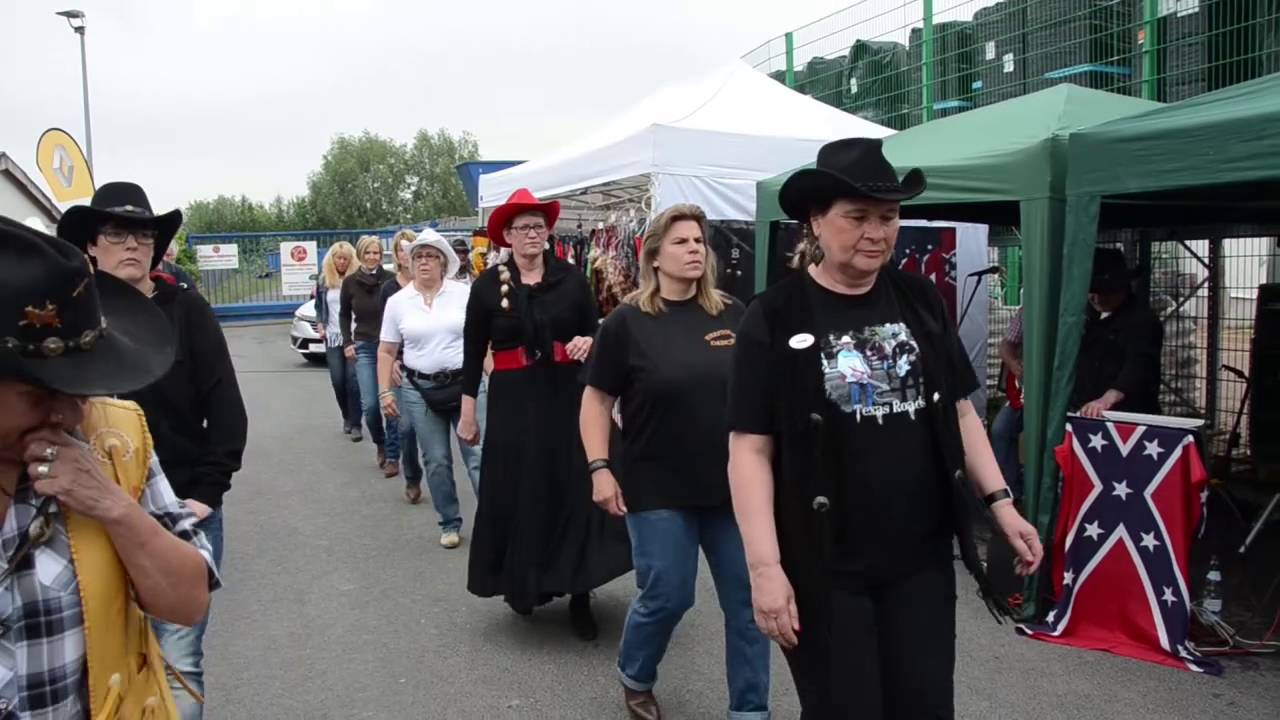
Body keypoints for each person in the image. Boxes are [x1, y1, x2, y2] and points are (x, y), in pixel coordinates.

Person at [726, 138, 1044, 719]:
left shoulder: (921, 300)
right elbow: (749, 449)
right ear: (815, 223)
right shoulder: (773, 317)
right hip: (824, 565)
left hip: (919, 560)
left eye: (889, 217)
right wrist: (765, 569)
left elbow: (960, 411)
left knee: (924, 706)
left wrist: (1001, 505)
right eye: (858, 217)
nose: (877, 231)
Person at [0, 214, 220, 718]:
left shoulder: (113, 439)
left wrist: (113, 506)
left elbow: (188, 602)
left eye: (83, 385)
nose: (72, 412)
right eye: (40, 393)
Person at [58, 182, 247, 720]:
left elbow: (227, 406)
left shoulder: (185, 309)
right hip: (81, 514)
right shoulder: (68, 314)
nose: (132, 245)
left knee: (178, 657)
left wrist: (208, 492)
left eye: (142, 234)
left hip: (177, 510)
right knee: (91, 661)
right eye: (116, 234)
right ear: (92, 245)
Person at [580, 204, 770, 720]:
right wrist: (600, 468)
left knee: (751, 604)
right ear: (654, 256)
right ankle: (636, 672)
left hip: (732, 487)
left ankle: (750, 711)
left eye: (699, 242)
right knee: (668, 594)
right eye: (682, 241)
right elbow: (596, 401)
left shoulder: (733, 313)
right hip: (657, 484)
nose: (695, 250)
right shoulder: (627, 323)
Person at [461, 188, 631, 640]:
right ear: (508, 237)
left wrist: (588, 341)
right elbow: (473, 350)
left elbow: (595, 329)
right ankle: (524, 582)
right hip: (513, 402)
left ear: (548, 232)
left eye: (538, 226)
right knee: (521, 490)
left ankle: (579, 593)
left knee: (571, 489)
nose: (532, 234)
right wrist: (468, 413)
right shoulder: (485, 286)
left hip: (565, 399)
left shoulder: (573, 279)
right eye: (523, 228)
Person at [378, 230, 484, 545]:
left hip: (466, 384)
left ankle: (494, 521)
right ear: (410, 263)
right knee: (436, 460)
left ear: (443, 262)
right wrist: (385, 391)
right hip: (419, 389)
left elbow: (483, 341)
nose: (424, 262)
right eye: (418, 256)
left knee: (478, 455)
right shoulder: (398, 302)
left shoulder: (464, 294)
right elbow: (385, 350)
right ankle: (449, 522)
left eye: (431, 256)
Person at [1072, 247, 1164, 418]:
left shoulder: (1142, 320)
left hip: (1126, 415)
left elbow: (1140, 364)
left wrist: (1110, 396)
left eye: (1105, 292)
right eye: (1093, 291)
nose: (1097, 299)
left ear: (1122, 287)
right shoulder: (1083, 315)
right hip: (1084, 411)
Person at [340, 235, 395, 475]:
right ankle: (380, 443)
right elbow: (343, 314)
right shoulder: (350, 283)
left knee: (391, 404)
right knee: (371, 405)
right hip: (364, 346)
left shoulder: (390, 281)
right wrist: (347, 341)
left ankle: (393, 454)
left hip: (390, 347)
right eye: (368, 253)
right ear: (360, 254)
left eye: (377, 253)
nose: (373, 257)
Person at [378, 230, 424, 498]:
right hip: (403, 365)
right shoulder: (390, 290)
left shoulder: (435, 283)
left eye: (413, 249)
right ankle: (412, 475)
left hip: (433, 367)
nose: (407, 254)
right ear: (396, 255)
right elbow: (386, 334)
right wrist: (392, 361)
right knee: (405, 426)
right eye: (402, 249)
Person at [315, 241, 363, 441]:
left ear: (351, 261)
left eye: (345, 259)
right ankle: (346, 416)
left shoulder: (357, 280)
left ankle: (356, 423)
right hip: (333, 336)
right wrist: (320, 323)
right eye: (338, 258)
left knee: (353, 381)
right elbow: (319, 306)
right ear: (332, 260)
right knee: (338, 380)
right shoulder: (324, 280)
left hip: (353, 337)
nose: (342, 262)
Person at [991, 306, 1025, 499]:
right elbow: (1006, 345)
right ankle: (1014, 492)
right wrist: (1014, 364)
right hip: (1025, 392)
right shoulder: (1027, 310)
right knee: (1000, 430)